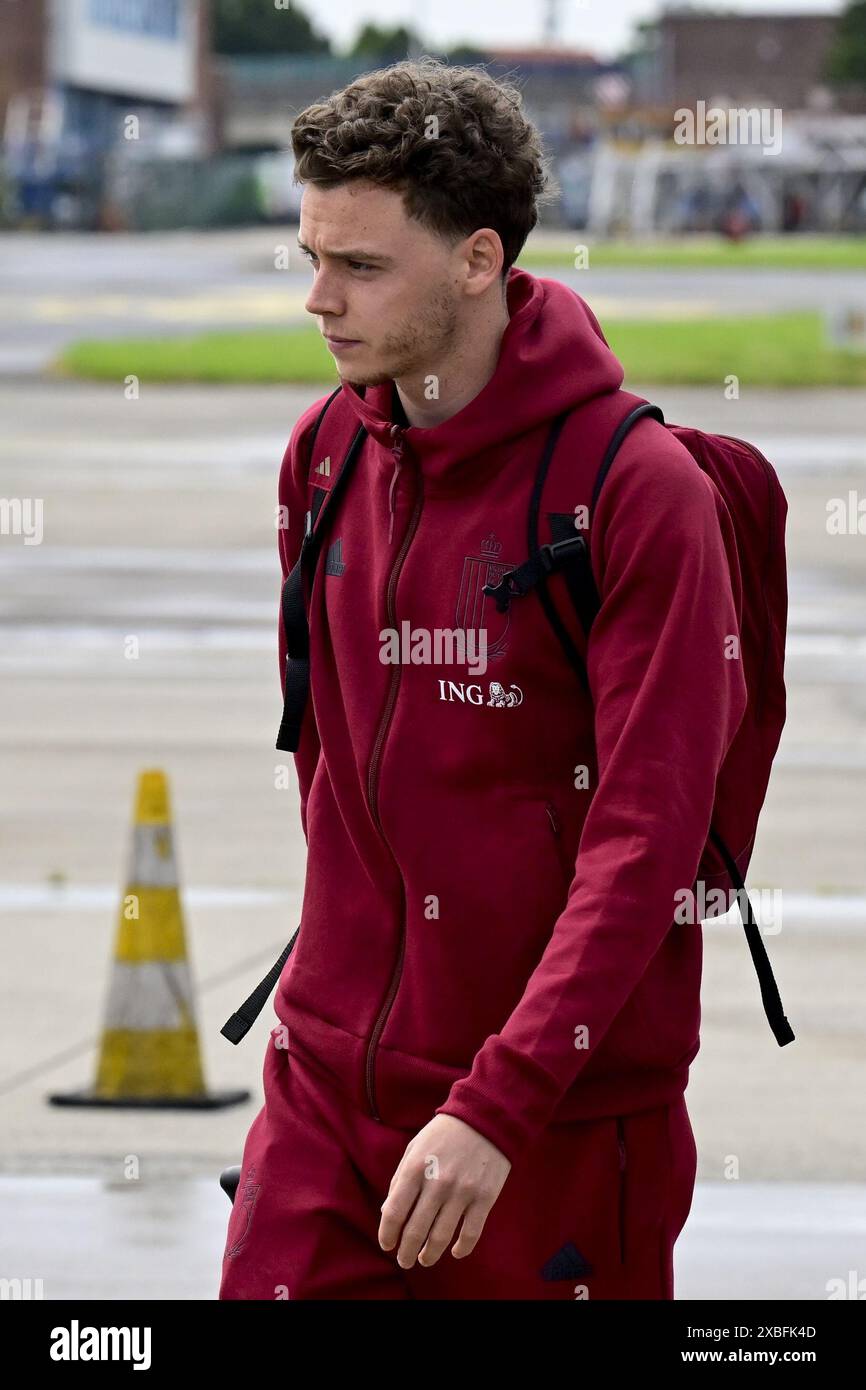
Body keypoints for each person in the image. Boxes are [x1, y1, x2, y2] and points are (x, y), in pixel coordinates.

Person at [219, 57, 746, 1301]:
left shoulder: (637, 493)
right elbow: (327, 762)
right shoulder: (323, 454)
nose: (318, 299)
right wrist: (330, 1012)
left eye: (359, 266)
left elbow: (645, 836)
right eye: (310, 255)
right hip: (329, 1096)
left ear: (477, 259)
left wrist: (500, 1102)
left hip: (553, 1124)